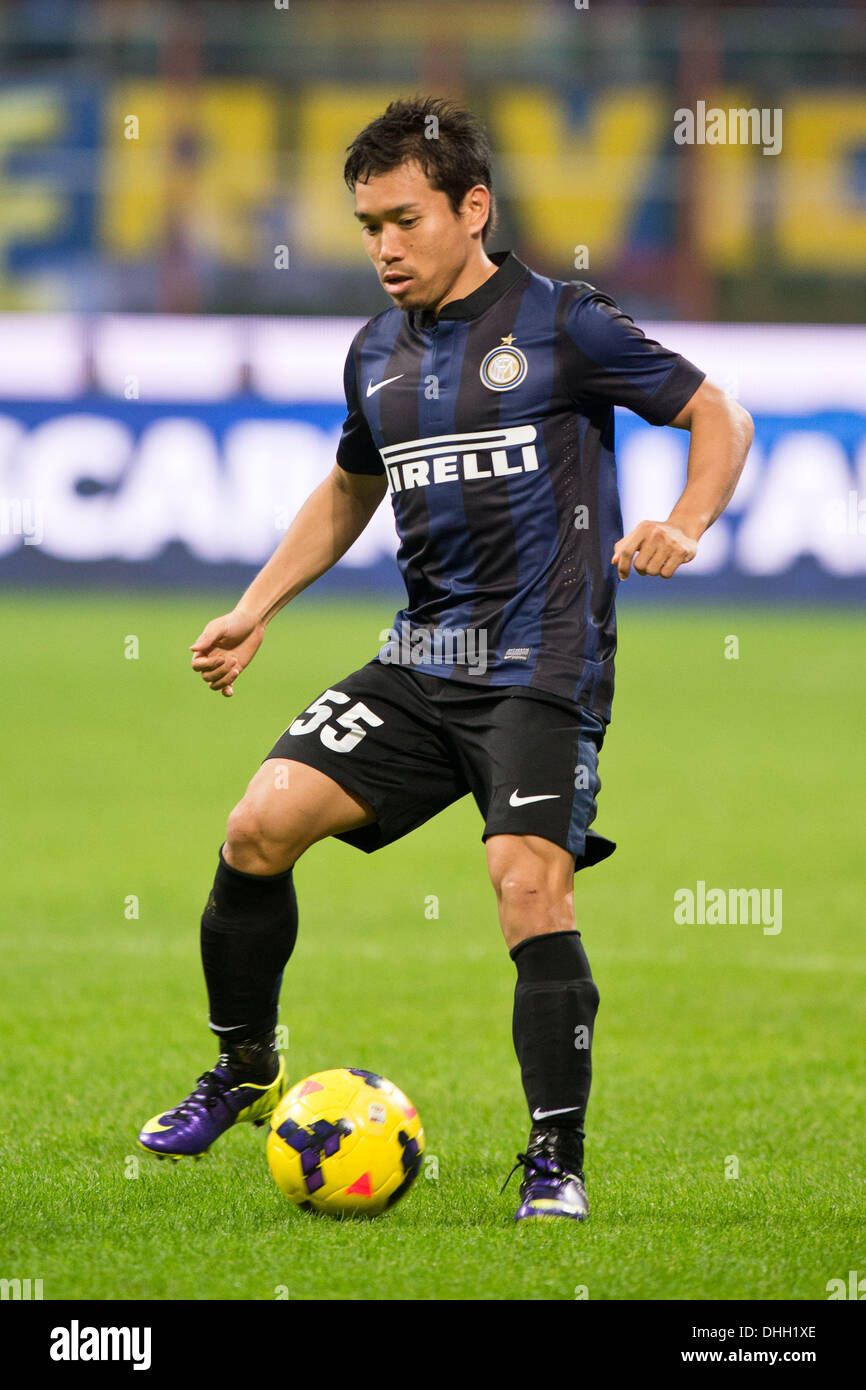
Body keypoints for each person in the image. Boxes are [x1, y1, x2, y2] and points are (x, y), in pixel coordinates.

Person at [138, 96, 753, 1222]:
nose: (380, 245)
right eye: (365, 222)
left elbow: (717, 412)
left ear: (473, 209)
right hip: (422, 661)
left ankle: (553, 1160)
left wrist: (687, 521)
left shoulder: (566, 323)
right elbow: (348, 488)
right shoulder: (371, 350)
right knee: (257, 823)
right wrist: (255, 606)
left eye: (402, 219)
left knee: (526, 884)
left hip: (539, 666)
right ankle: (243, 1068)